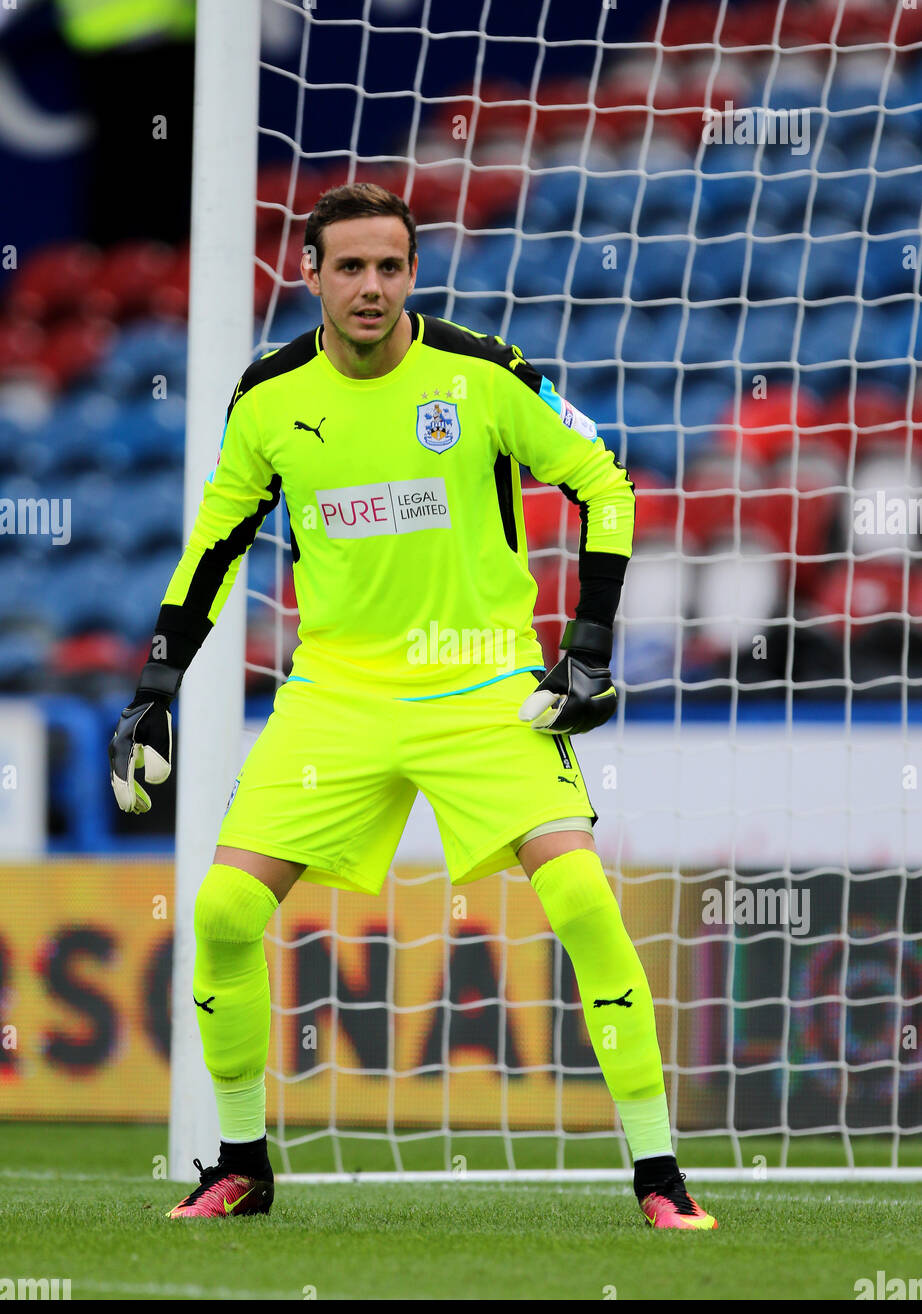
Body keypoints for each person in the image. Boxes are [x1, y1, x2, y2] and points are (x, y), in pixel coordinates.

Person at [108, 182, 716, 1230]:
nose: (371, 287)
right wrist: (157, 686)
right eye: (349, 266)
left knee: (578, 900)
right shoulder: (266, 399)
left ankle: (659, 1176)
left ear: (413, 274)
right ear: (309, 274)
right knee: (219, 913)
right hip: (334, 698)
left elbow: (604, 483)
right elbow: (213, 545)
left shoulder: (483, 376)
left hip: (483, 687)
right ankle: (241, 1160)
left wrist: (585, 646)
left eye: (390, 266)